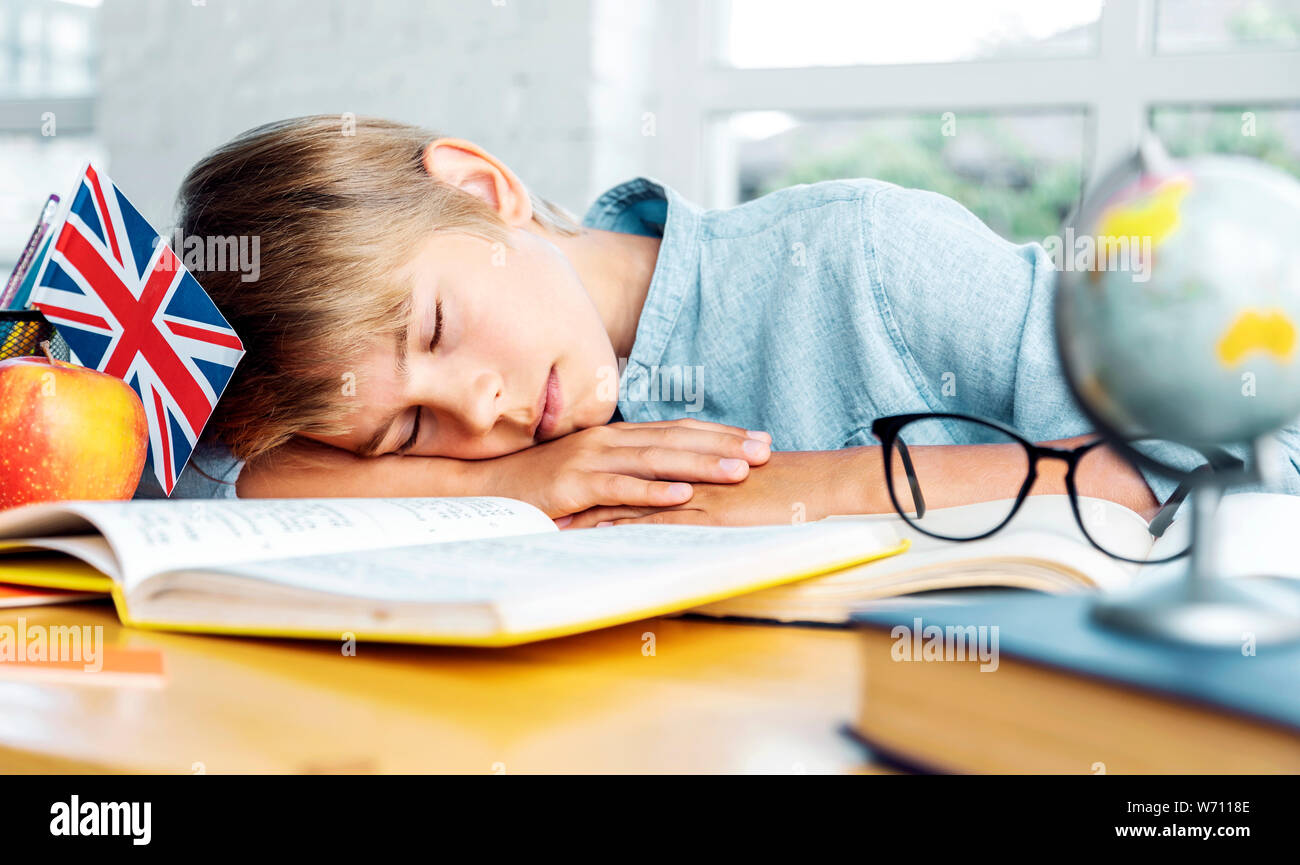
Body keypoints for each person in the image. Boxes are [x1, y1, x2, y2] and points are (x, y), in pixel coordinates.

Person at [152, 115, 1300, 528]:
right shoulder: (515, 455)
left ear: (484, 189)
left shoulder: (863, 258)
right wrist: (500, 488)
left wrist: (820, 486)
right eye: (407, 434)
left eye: (440, 330)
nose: (481, 412)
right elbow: (202, 481)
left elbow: (1194, 473)